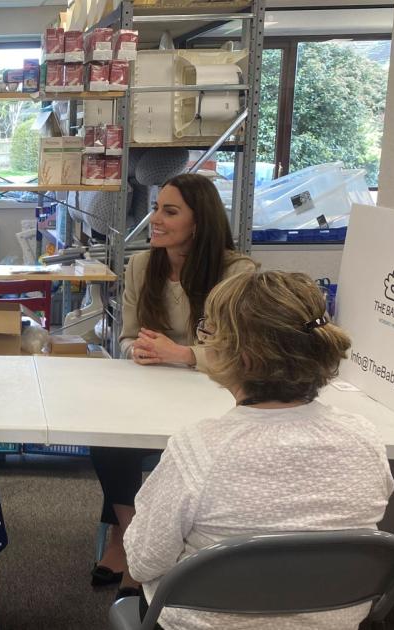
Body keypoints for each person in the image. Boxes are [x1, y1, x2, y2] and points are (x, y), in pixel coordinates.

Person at [124, 271, 394, 629]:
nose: (204, 340)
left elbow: (144, 562)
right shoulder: (365, 440)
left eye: (209, 330)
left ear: (243, 358)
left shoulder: (199, 450)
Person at [92, 173, 257, 595]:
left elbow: (242, 349)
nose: (155, 219)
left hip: (214, 397)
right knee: (107, 437)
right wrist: (137, 351)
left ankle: (126, 546)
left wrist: (183, 355)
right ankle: (130, 541)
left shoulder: (236, 271)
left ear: (199, 222)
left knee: (183, 450)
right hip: (154, 391)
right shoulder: (143, 265)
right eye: (154, 208)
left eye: (169, 211)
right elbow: (127, 335)